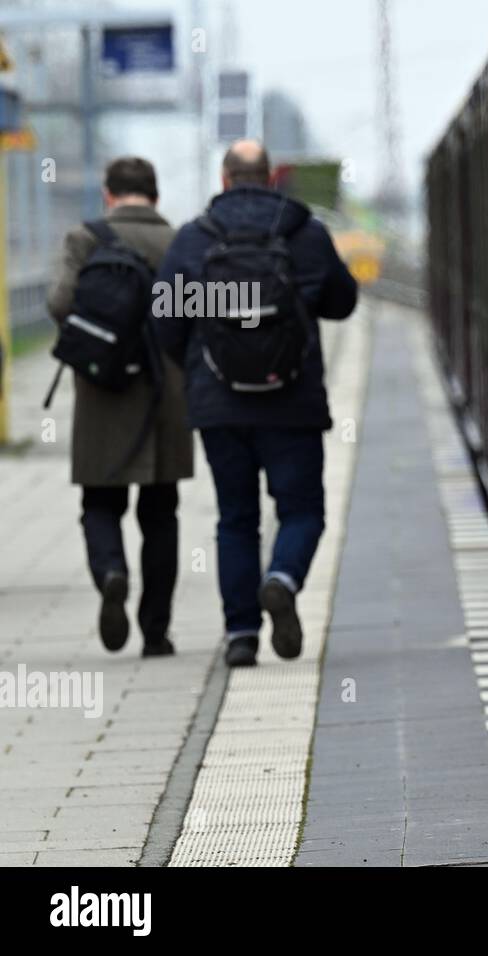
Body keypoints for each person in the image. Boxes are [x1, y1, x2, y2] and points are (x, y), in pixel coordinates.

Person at [154, 140, 358, 667]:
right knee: (302, 510)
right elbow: (343, 302)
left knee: (236, 519)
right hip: (293, 402)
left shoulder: (194, 239)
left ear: (224, 179)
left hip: (220, 406)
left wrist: (202, 370)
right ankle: (282, 578)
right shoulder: (305, 233)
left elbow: (165, 326)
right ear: (270, 178)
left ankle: (242, 635)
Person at [46, 157, 194, 657]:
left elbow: (60, 304)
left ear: (109, 195)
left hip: (102, 390)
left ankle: (111, 571)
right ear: (154, 195)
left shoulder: (83, 239)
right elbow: (196, 312)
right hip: (165, 392)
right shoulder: (180, 242)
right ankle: (156, 633)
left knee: (100, 504)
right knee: (161, 514)